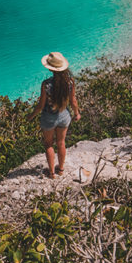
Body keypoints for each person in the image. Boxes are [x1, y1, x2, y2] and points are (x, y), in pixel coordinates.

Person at [36, 51, 80, 179]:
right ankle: (60, 170)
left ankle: (51, 173)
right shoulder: (70, 82)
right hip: (64, 116)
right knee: (61, 143)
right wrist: (76, 113)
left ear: (51, 69)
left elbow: (40, 106)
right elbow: (73, 101)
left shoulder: (46, 84)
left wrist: (30, 117)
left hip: (48, 118)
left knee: (48, 144)